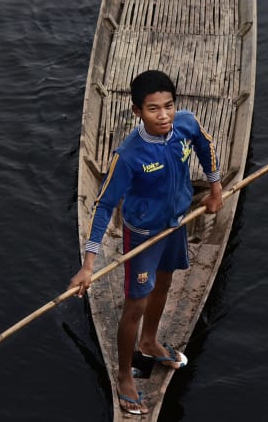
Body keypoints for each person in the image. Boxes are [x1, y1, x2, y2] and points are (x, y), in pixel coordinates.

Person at [68, 70, 224, 415]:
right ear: (137, 110)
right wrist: (89, 264)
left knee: (165, 283)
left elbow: (205, 143)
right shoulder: (129, 155)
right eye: (154, 109)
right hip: (143, 234)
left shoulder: (185, 123)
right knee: (135, 304)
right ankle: (125, 375)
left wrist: (215, 188)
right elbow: (105, 204)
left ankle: (150, 341)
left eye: (168, 106)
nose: (164, 115)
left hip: (176, 225)